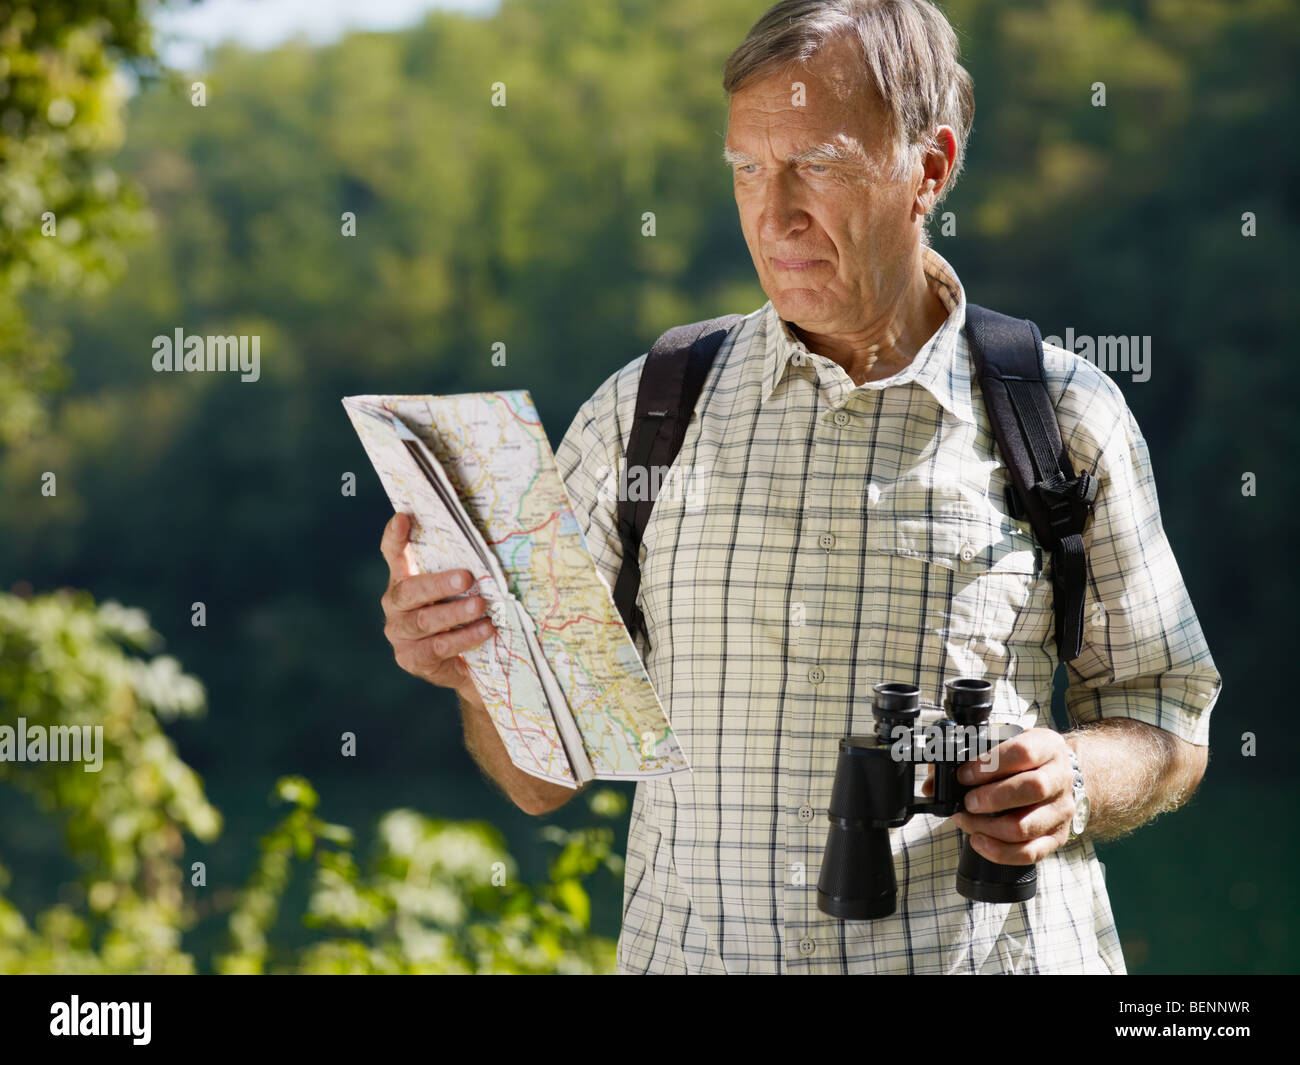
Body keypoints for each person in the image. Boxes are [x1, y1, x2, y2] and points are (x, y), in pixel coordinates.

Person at [378, 0, 1221, 973]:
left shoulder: (1064, 416)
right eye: (747, 169)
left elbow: (1168, 717)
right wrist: (472, 662)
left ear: (929, 168)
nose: (773, 215)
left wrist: (1073, 776)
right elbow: (539, 783)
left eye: (816, 164)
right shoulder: (643, 413)